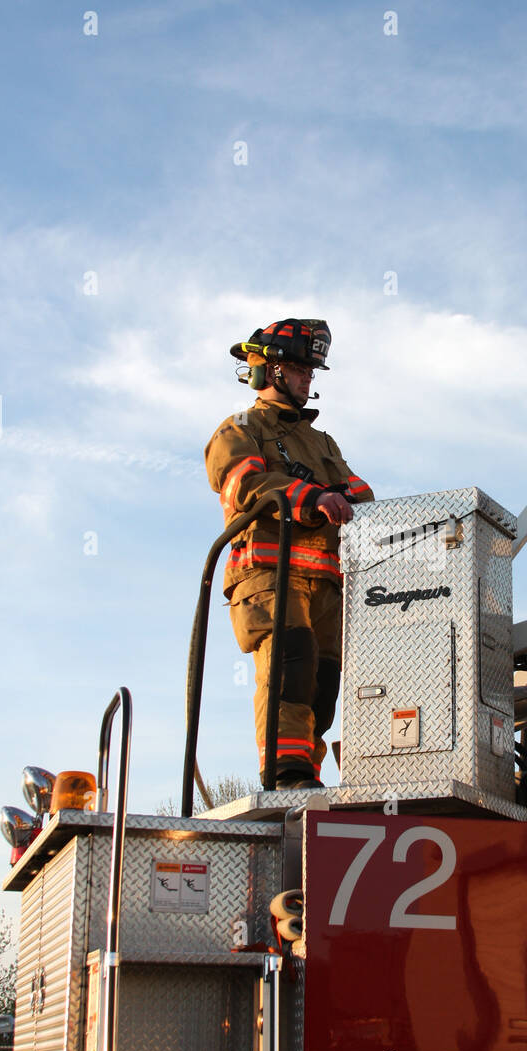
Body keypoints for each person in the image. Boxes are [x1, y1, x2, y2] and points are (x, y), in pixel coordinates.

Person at [205, 319, 374, 790]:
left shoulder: (322, 442)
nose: (309, 378)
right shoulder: (239, 429)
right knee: (291, 667)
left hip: (326, 582)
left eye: (311, 369)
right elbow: (246, 486)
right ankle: (286, 775)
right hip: (268, 574)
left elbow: (362, 497)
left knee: (323, 685)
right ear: (272, 369)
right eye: (300, 368)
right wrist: (315, 498)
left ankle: (308, 779)